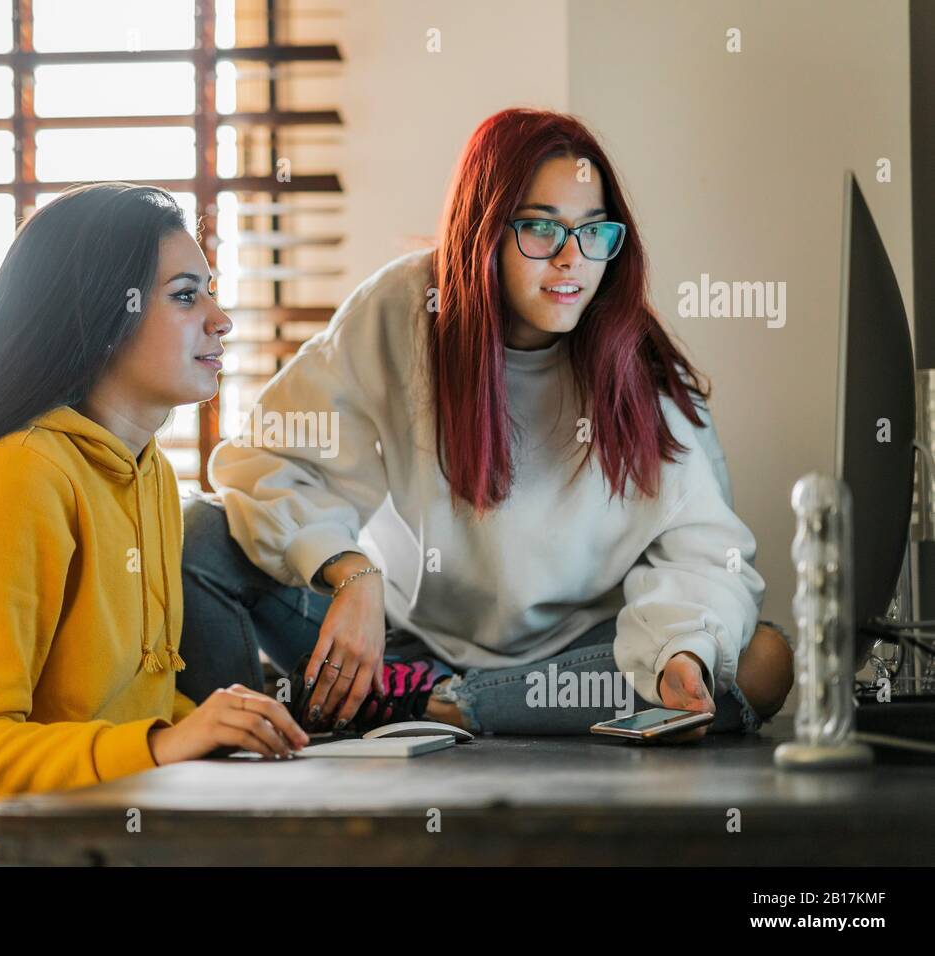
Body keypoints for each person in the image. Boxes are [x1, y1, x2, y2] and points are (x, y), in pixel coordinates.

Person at [178, 108, 794, 745]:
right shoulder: (405, 309)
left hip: (570, 663)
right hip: (395, 645)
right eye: (540, 229)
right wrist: (351, 572)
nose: (570, 261)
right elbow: (273, 459)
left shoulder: (638, 366)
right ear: (484, 231)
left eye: (592, 233)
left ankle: (446, 708)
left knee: (763, 661)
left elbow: (705, 554)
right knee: (198, 538)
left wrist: (684, 655)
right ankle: (250, 745)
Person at [0, 183, 309, 867]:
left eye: (210, 291)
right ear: (102, 315)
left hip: (59, 831)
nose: (220, 317)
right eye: (184, 295)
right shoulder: (15, 474)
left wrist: (213, 728)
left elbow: (104, 707)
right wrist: (162, 745)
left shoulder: (150, 477)